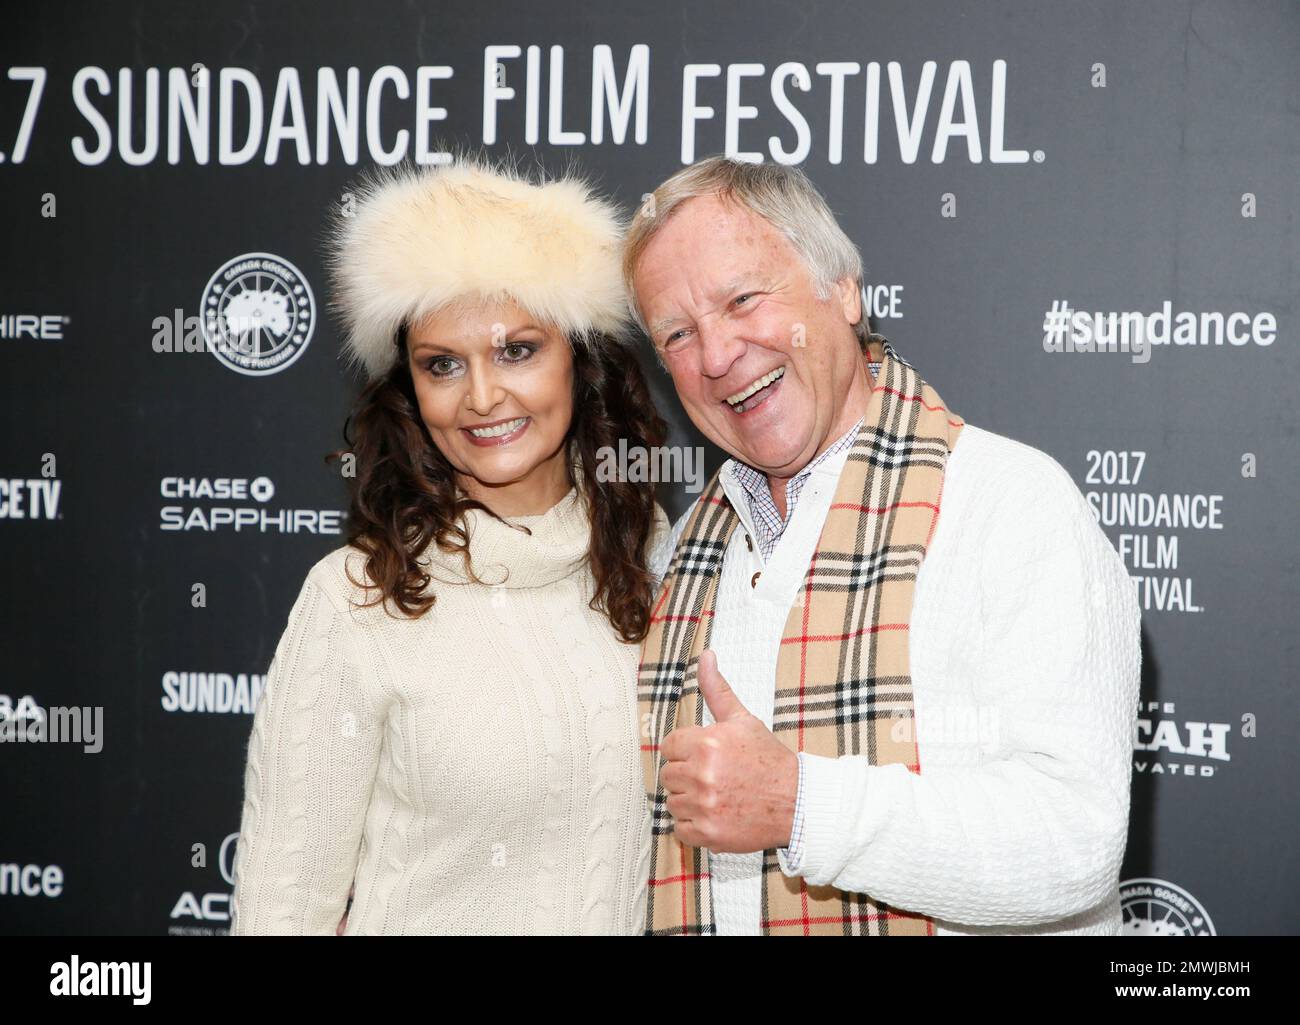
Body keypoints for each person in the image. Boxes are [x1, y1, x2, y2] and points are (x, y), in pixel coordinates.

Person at [625, 156, 1141, 936]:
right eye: (678, 333)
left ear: (844, 289)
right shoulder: (681, 555)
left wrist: (800, 804)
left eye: (742, 299)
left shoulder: (1009, 502)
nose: (717, 355)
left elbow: (1076, 840)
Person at [229, 156, 668, 935]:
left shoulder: (659, 561)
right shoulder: (357, 599)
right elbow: (281, 910)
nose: (482, 396)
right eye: (442, 365)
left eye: (517, 350)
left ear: (580, 356)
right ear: (408, 390)